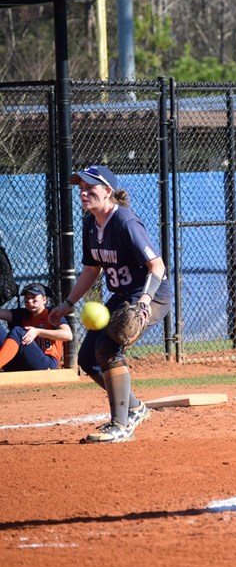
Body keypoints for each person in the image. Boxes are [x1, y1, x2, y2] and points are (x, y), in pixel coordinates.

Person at [48, 165, 173, 444]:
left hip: (151, 295)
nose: (82, 192)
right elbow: (92, 270)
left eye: (89, 187)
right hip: (121, 296)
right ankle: (135, 408)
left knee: (108, 347)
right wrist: (67, 304)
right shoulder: (90, 224)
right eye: (80, 187)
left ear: (107, 191)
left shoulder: (125, 222)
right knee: (87, 358)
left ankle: (121, 425)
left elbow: (157, 266)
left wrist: (143, 302)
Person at [0, 283, 72, 372]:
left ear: (44, 299)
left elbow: (68, 335)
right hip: (21, 362)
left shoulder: (51, 314)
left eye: (34, 297)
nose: (29, 301)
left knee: (18, 331)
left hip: (47, 362)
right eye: (26, 299)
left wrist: (37, 332)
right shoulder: (23, 314)